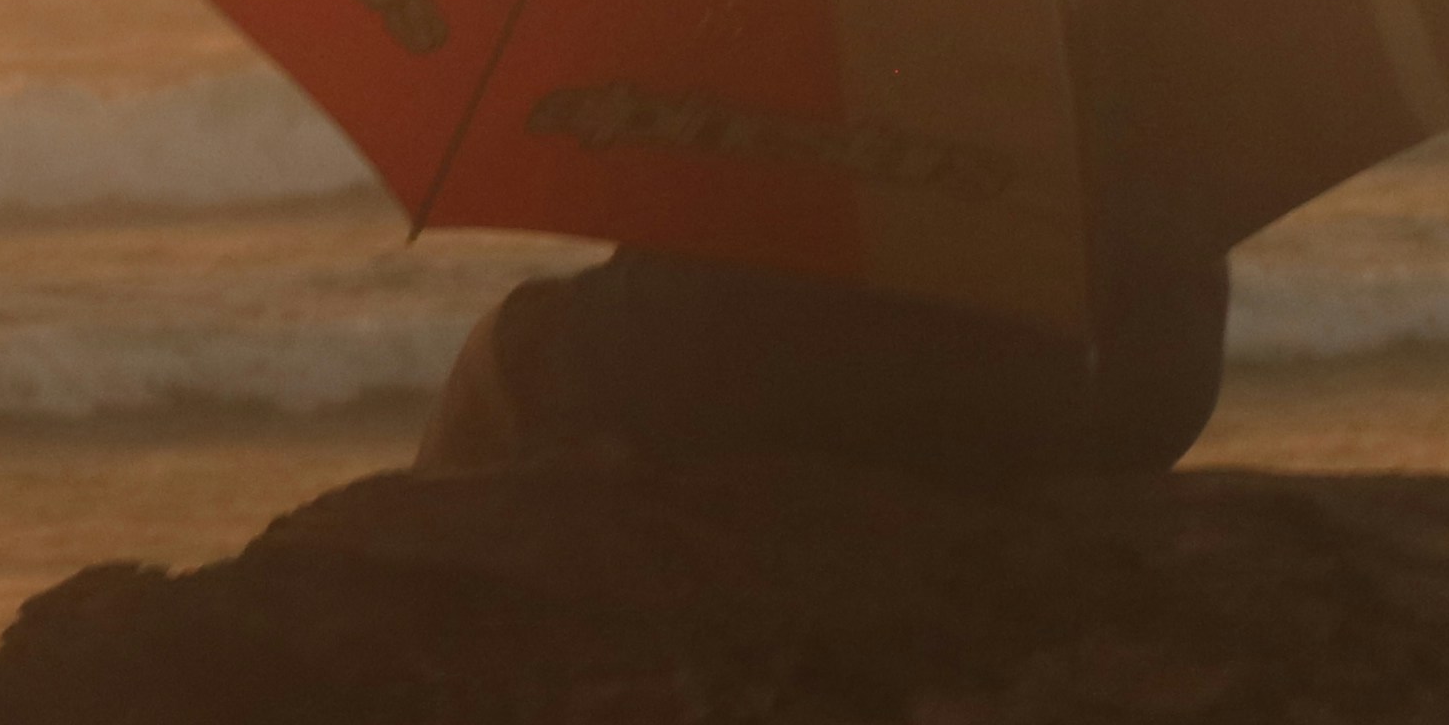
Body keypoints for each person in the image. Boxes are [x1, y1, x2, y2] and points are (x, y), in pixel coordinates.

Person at [410, 225, 1228, 485]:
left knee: (510, 350)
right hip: (1081, 403)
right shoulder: (1132, 6)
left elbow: (675, 313)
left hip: (767, 373)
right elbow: (1166, 392)